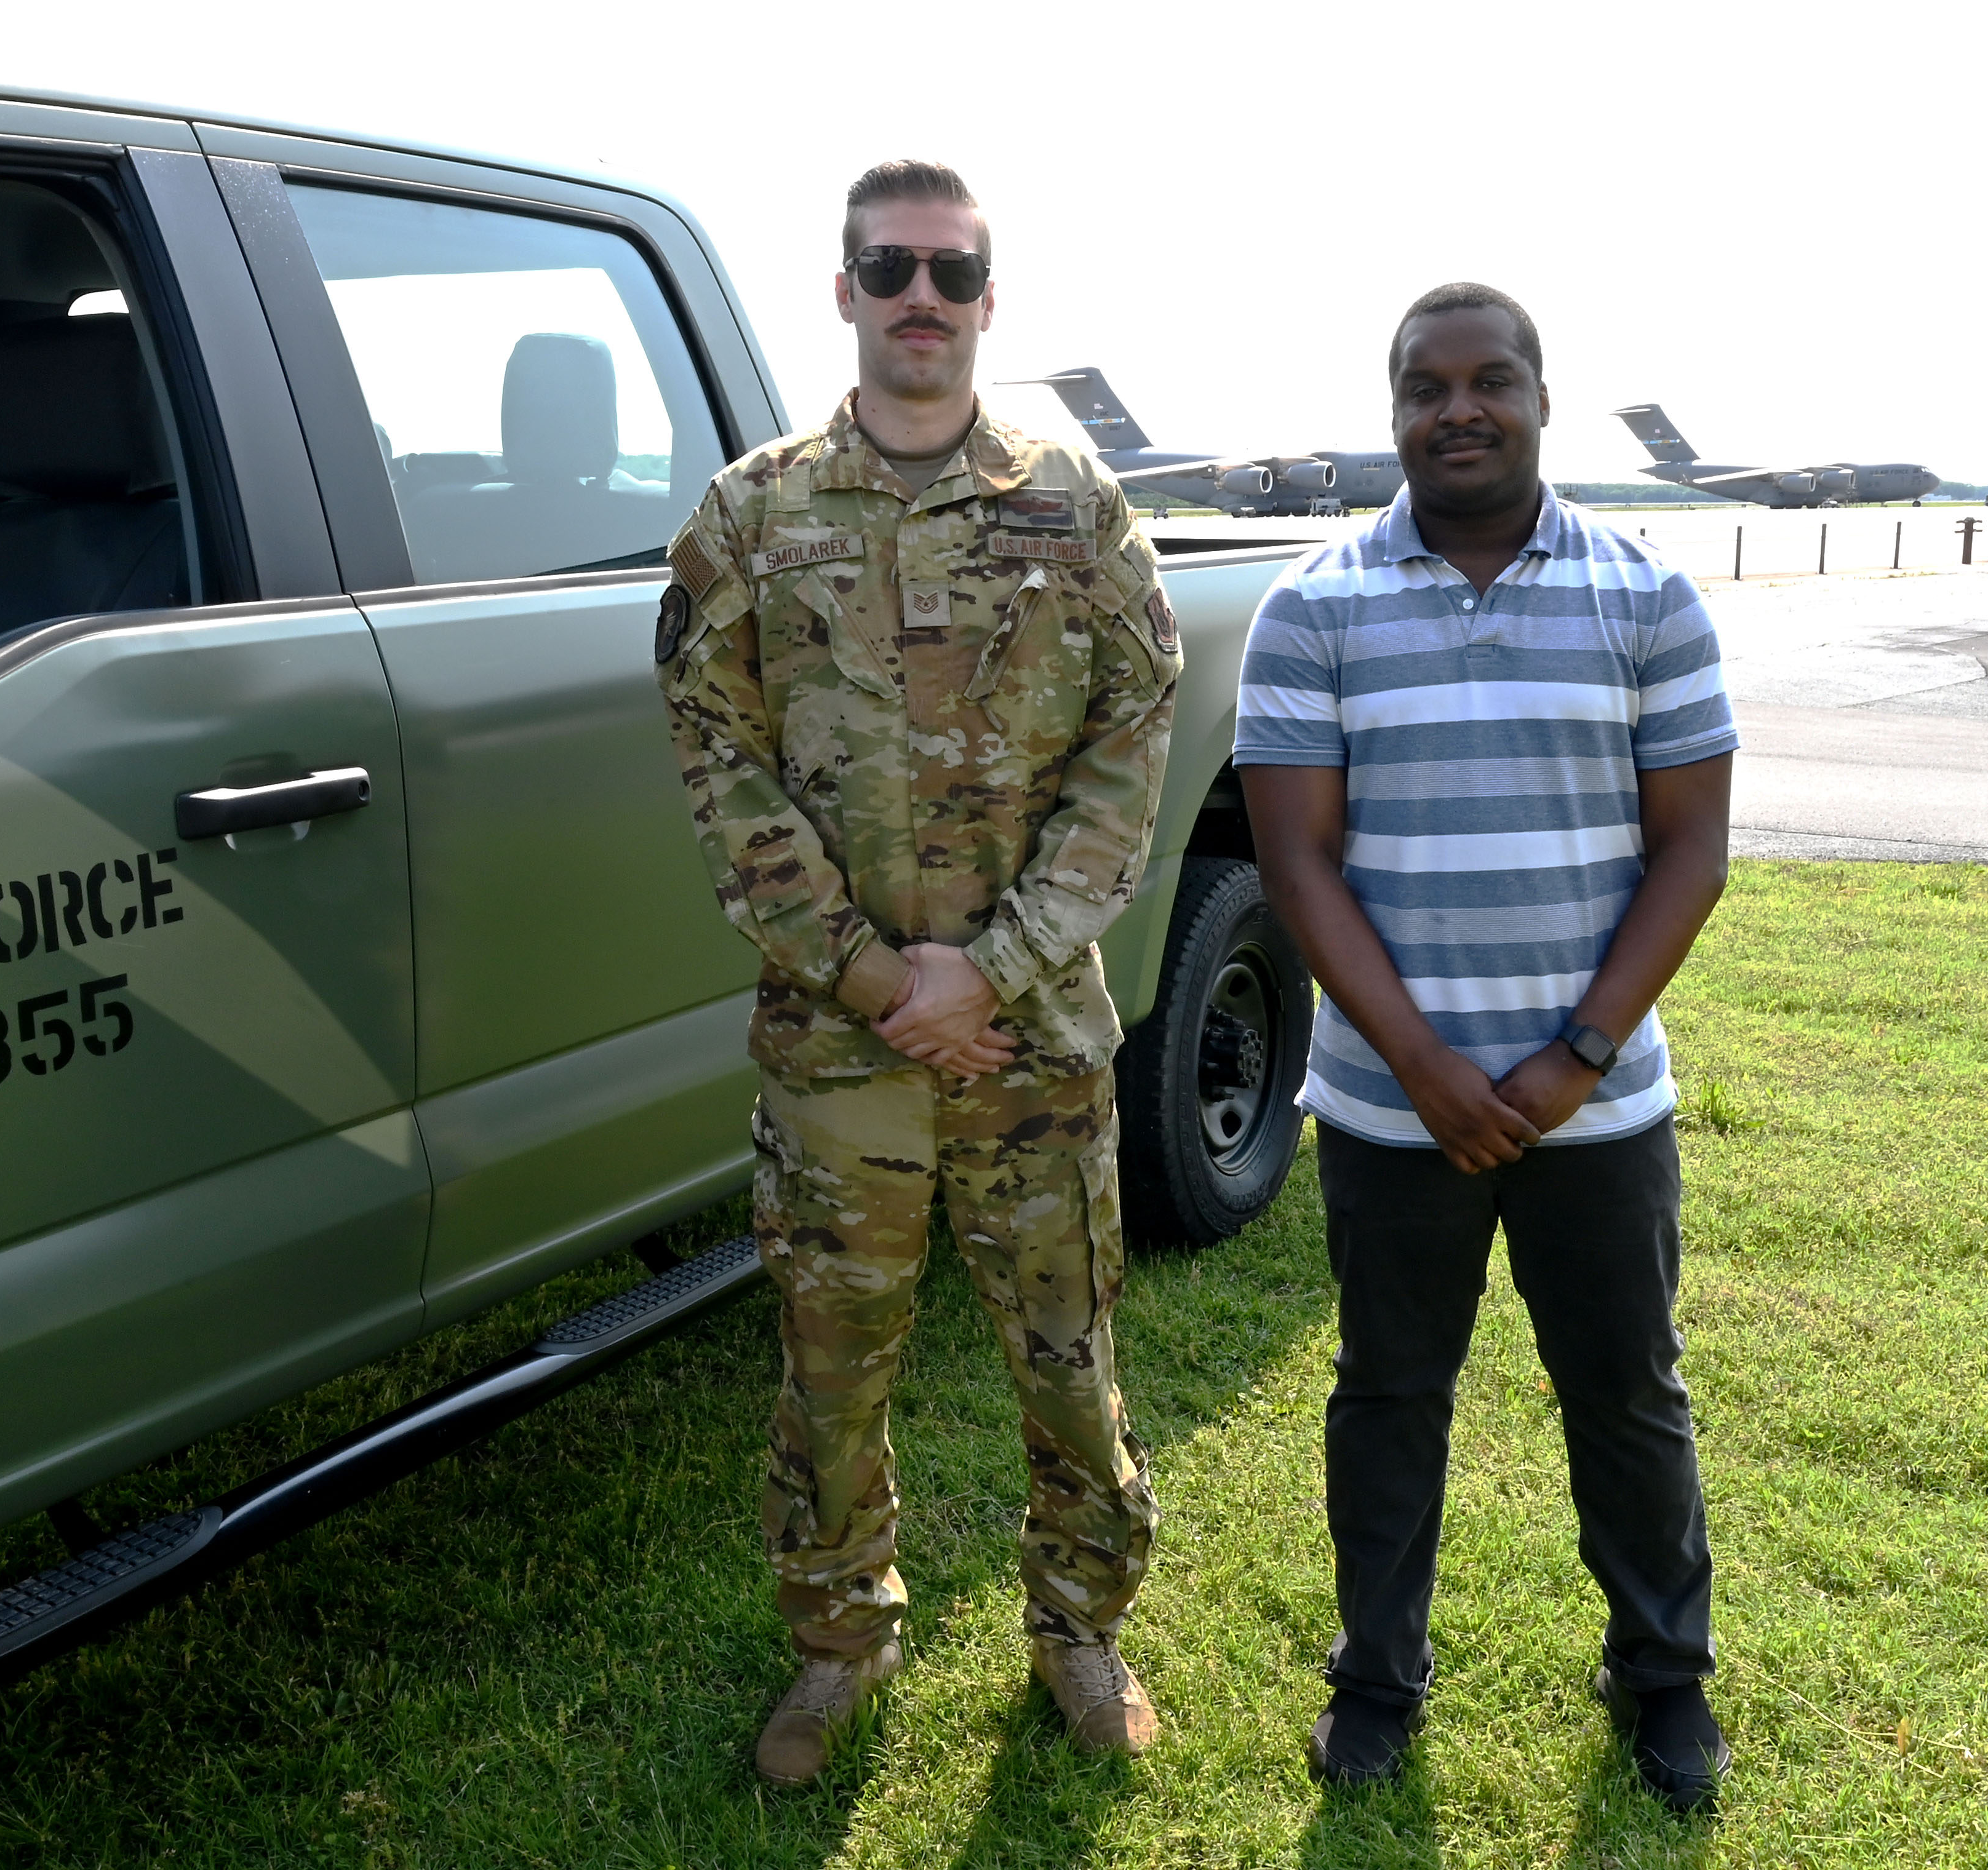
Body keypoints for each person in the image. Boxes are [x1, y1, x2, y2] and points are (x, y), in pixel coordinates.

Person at [659, 158, 1182, 1786]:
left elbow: (1130, 742)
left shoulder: (1073, 505)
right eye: (889, 268)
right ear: (844, 291)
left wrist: (994, 971)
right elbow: (718, 760)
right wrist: (876, 978)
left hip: (1033, 1048)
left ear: (987, 301)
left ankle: (1080, 1630)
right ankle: (838, 1645)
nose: (920, 298)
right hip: (842, 1052)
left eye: (951, 273)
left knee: (1069, 1365)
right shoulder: (752, 515)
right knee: (832, 1376)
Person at [1234, 283, 1736, 1812]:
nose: (1456, 408)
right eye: (1422, 386)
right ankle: (1374, 1679)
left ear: (1537, 396)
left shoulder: (1646, 595)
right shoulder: (1312, 607)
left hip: (1597, 1107)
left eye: (1487, 379)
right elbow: (1297, 863)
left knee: (1626, 1393)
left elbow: (1691, 850)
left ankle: (1661, 1676)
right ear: (1392, 410)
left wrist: (1574, 1054)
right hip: (1392, 1113)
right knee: (1388, 1392)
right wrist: (1424, 1067)